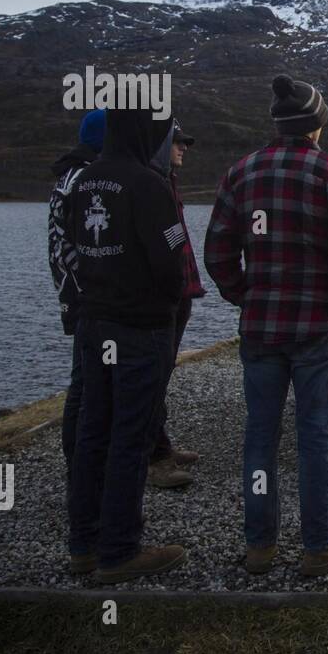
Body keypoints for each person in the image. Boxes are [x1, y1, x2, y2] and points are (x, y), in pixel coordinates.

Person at [205, 74, 328, 577]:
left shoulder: (241, 173)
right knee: (315, 435)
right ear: (317, 123)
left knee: (259, 435)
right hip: (317, 329)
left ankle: (259, 546)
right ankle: (319, 544)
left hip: (260, 329)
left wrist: (245, 296)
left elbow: (217, 252)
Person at [66, 107, 186, 583]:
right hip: (141, 327)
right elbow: (171, 257)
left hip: (94, 324)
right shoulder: (148, 184)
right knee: (131, 438)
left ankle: (84, 544)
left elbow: (74, 247)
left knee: (93, 432)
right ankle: (120, 550)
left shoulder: (84, 181)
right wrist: (167, 304)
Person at [143, 121, 204, 489]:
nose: (184, 148)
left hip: (177, 295)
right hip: (164, 299)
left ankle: (160, 446)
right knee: (151, 379)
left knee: (160, 376)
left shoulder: (166, 180)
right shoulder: (152, 183)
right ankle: (151, 459)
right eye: (178, 142)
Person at [48, 108, 104, 486]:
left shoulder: (68, 175)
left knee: (82, 382)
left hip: (73, 290)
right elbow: (90, 243)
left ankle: (80, 471)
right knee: (87, 387)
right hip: (89, 296)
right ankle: (82, 474)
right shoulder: (86, 179)